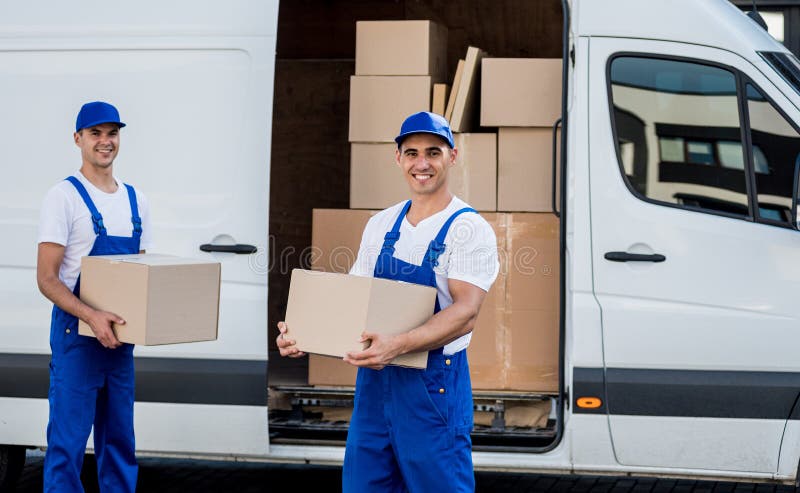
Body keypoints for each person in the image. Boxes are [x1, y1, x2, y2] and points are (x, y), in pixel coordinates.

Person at [277, 111, 499, 492]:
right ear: (398, 159)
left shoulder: (468, 228)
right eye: (411, 153)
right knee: (366, 485)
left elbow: (465, 314)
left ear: (452, 156)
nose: (422, 163)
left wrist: (396, 345)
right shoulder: (382, 225)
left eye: (433, 151)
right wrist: (305, 337)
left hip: (432, 387)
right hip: (375, 387)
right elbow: (355, 300)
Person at [36, 101, 152, 493]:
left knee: (120, 443)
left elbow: (137, 276)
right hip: (77, 338)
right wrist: (91, 316)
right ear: (78, 139)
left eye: (112, 133)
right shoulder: (63, 197)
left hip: (119, 341)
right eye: (96, 134)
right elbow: (47, 280)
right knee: (67, 447)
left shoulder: (136, 200)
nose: (106, 142)